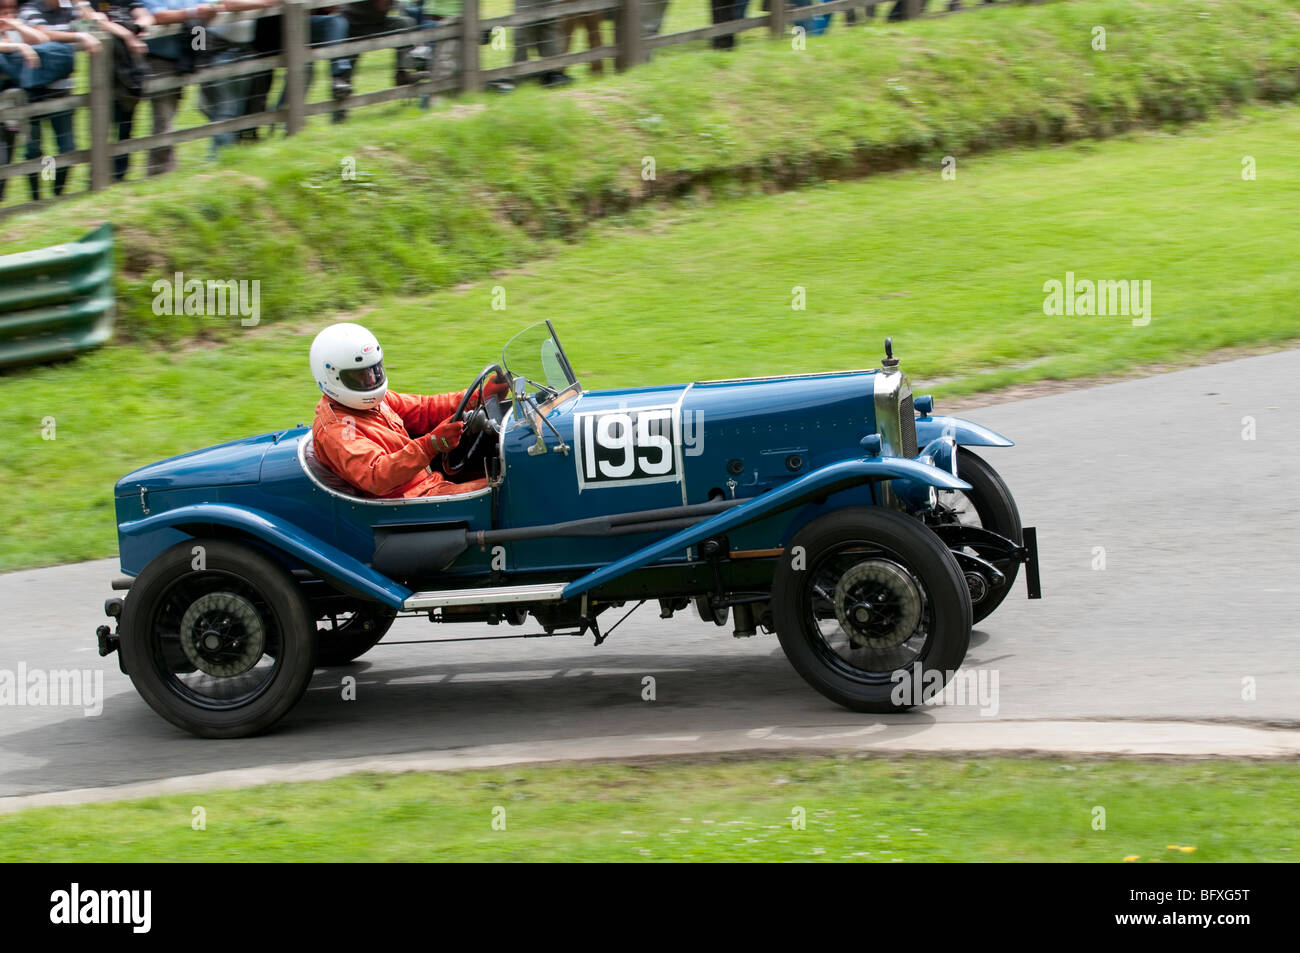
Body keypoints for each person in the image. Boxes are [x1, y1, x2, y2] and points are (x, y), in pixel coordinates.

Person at [310, 323, 510, 499]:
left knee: (512, 472)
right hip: (408, 501)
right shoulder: (338, 430)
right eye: (360, 377)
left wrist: (479, 397)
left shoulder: (376, 401)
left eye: (374, 371)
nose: (371, 381)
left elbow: (425, 409)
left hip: (427, 484)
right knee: (512, 486)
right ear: (331, 377)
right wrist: (430, 445)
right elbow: (377, 476)